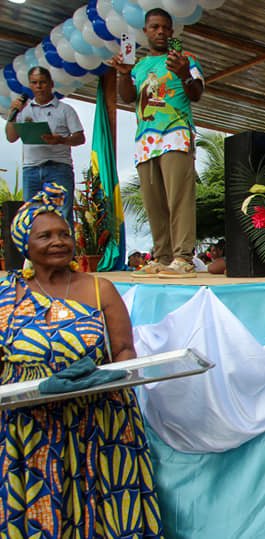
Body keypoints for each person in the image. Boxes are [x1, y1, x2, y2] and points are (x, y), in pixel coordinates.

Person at [0, 183, 163, 537]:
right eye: (45, 236)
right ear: (24, 245)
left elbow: (123, 350)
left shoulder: (98, 288)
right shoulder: (6, 295)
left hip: (98, 418)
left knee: (102, 511)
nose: (58, 241)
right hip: (30, 425)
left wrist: (105, 378)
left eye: (64, 233)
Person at [109, 8, 204, 278]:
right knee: (154, 203)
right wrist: (123, 74)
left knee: (179, 199)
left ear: (172, 31)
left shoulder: (186, 60)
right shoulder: (138, 66)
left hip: (175, 135)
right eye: (154, 27)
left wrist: (185, 74)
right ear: (146, 32)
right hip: (145, 141)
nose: (160, 31)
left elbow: (196, 94)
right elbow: (128, 97)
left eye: (165, 27)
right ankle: (162, 257)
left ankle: (183, 258)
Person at [4, 66, 84, 224]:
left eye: (42, 82)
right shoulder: (23, 111)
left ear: (51, 84)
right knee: (32, 218)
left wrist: (61, 140)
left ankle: (64, 248)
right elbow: (11, 137)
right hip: (31, 170)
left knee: (62, 216)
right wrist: (12, 114)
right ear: (30, 85)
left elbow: (80, 138)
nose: (39, 86)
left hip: (59, 168)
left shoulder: (65, 109)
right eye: (34, 83)